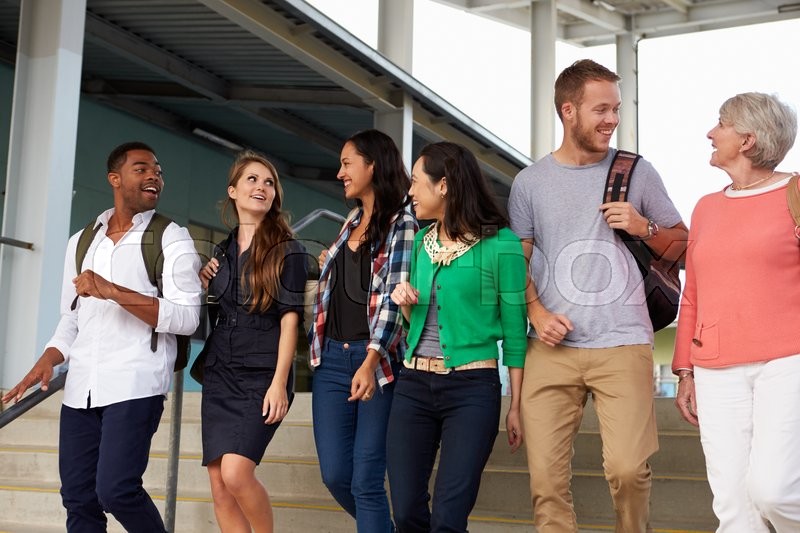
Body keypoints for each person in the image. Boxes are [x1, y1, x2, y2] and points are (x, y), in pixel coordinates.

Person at [507, 59, 689, 532]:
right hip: (551, 347)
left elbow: (684, 246)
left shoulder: (637, 172)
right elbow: (517, 262)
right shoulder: (530, 183)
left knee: (628, 470)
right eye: (601, 109)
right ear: (568, 111)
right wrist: (536, 311)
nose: (612, 120)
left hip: (623, 341)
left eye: (617, 109)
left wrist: (643, 225)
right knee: (546, 483)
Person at [1, 141, 202, 532]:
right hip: (81, 388)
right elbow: (71, 318)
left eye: (158, 170)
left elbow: (187, 319)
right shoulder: (80, 242)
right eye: (142, 168)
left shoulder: (171, 237)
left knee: (116, 490)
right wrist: (49, 357)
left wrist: (112, 290)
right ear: (115, 178)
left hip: (136, 382)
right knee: (78, 498)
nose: (154, 177)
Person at [673, 92, 800, 532]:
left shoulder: (796, 194)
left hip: (787, 360)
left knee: (775, 490)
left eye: (721, 123)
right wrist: (685, 371)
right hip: (715, 367)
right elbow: (694, 294)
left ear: (747, 139)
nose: (711, 132)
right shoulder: (707, 207)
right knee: (734, 508)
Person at [386, 141, 528, 533]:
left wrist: (515, 405)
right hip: (413, 384)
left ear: (444, 185)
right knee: (407, 511)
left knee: (449, 518)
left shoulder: (502, 245)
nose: (410, 191)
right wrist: (404, 301)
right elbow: (420, 321)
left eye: (416, 182)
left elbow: (516, 334)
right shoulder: (420, 243)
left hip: (471, 389)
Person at [308, 129, 417, 532]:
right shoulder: (352, 220)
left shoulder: (402, 224)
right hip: (332, 359)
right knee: (335, 474)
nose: (340, 173)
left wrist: (370, 362)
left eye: (347, 163)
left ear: (373, 166)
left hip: (380, 363)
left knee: (367, 480)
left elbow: (392, 299)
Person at [197, 150, 307, 532]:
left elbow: (290, 320)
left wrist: (280, 383)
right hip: (219, 374)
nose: (262, 187)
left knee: (237, 473)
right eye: (252, 180)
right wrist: (205, 281)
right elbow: (217, 309)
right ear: (232, 190)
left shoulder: (288, 251)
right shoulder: (221, 253)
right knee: (219, 485)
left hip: (260, 376)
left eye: (269, 182)